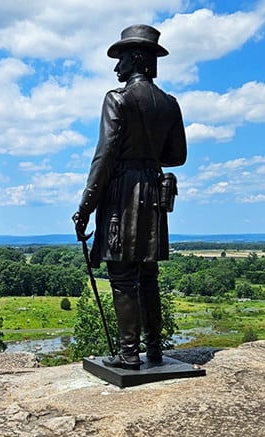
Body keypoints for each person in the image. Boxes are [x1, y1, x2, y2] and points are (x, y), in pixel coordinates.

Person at [73, 24, 187, 369]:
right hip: (152, 193)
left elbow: (104, 155)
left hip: (123, 194)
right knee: (148, 277)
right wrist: (148, 153)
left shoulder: (117, 99)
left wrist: (85, 206)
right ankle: (154, 350)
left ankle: (128, 354)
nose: (116, 67)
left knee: (123, 278)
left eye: (120, 59)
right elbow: (177, 156)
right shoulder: (169, 104)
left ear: (136, 58)